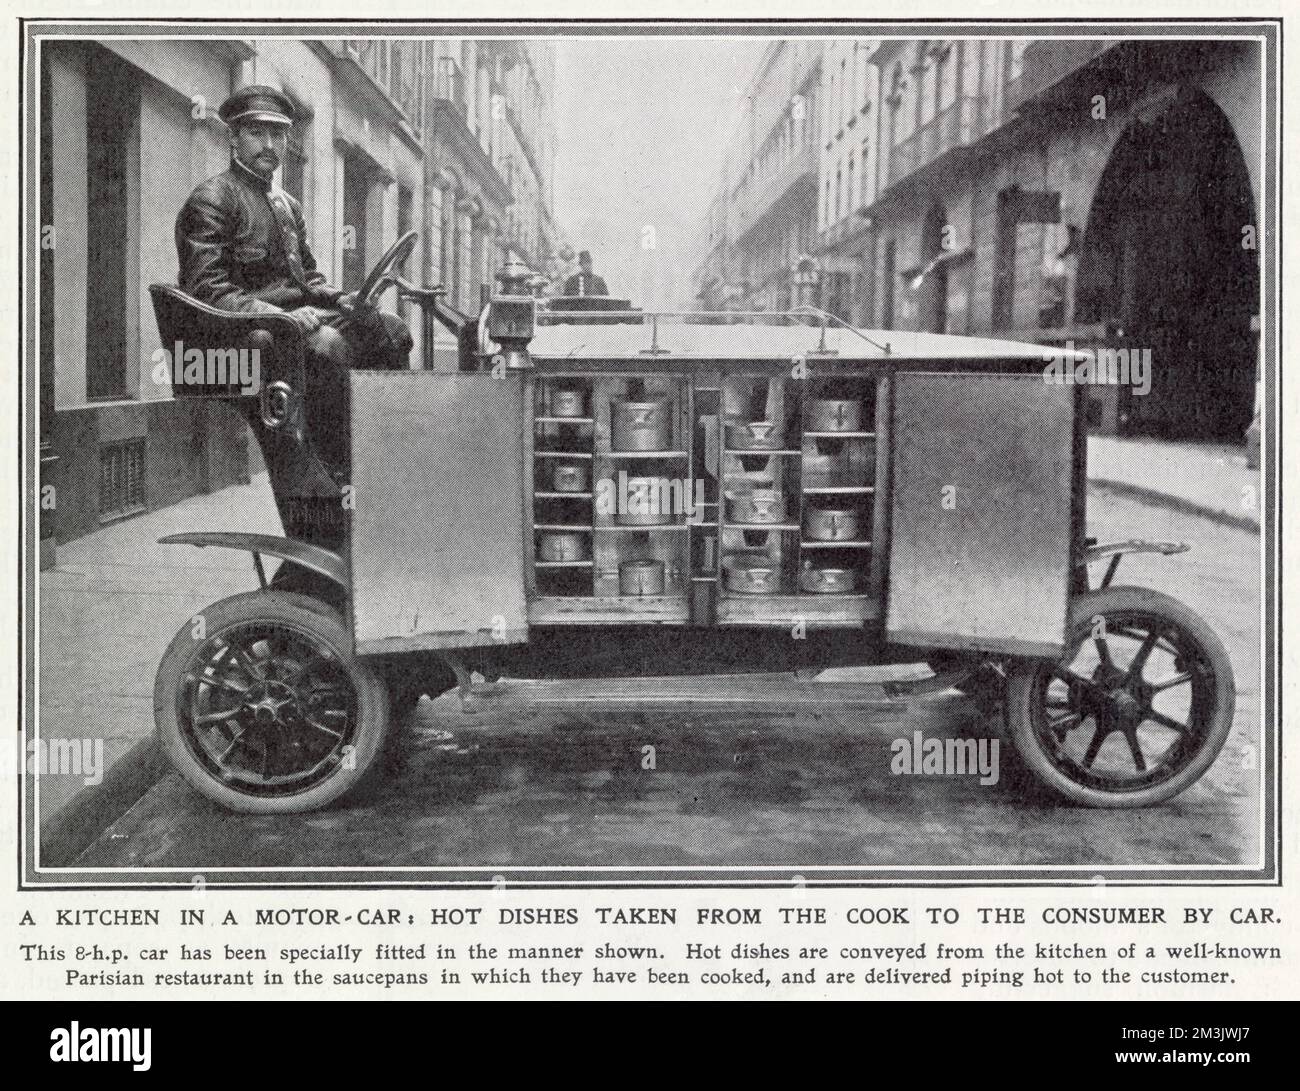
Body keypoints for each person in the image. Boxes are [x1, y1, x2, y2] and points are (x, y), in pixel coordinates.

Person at [174, 85, 413, 548]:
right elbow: (206, 289)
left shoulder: (286, 206)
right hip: (246, 337)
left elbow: (307, 280)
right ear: (233, 139)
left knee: (392, 330)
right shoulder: (211, 200)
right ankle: (334, 469)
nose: (270, 146)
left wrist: (340, 300)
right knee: (328, 348)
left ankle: (380, 451)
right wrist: (279, 315)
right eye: (257, 133)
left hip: (294, 324)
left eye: (278, 135)